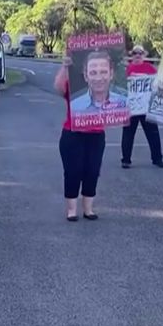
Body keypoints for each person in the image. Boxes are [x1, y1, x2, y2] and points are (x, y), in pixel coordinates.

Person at [55, 56, 105, 221]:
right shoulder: (74, 85)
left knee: (92, 171)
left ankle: (88, 209)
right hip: (73, 133)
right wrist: (64, 66)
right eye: (91, 71)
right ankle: (71, 210)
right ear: (85, 73)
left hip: (96, 134)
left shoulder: (106, 88)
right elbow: (58, 87)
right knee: (72, 172)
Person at [121, 45, 163, 169]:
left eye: (140, 53)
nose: (137, 55)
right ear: (132, 55)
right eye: (135, 53)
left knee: (153, 134)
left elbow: (158, 84)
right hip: (131, 108)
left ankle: (157, 159)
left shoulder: (150, 69)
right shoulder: (127, 70)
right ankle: (126, 159)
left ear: (143, 55)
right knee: (128, 134)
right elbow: (121, 87)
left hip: (146, 108)